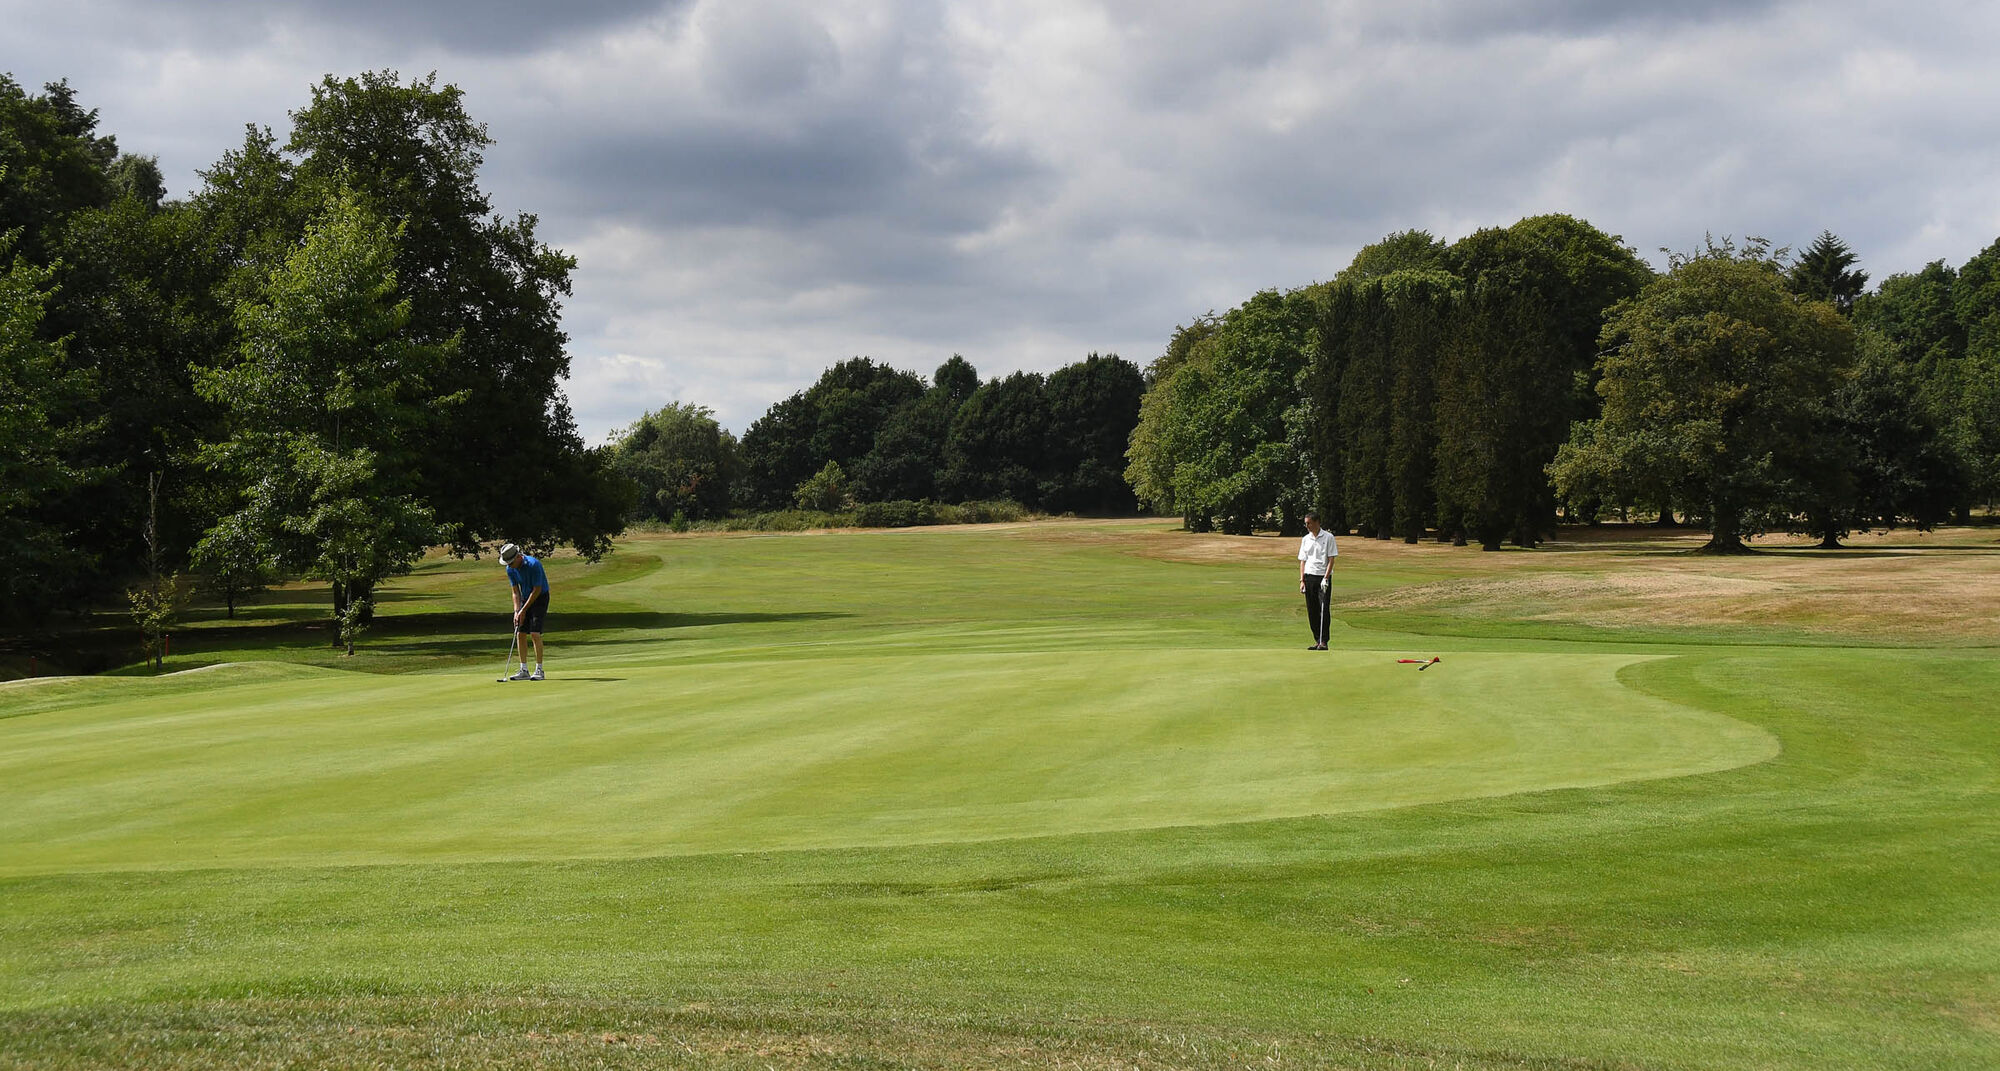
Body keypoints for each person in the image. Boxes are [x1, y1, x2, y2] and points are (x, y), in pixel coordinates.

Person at [500, 543, 550, 680]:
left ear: (518, 557)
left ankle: (539, 670)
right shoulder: (510, 569)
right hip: (525, 597)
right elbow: (515, 592)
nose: (509, 565)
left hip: (540, 597)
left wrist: (524, 609)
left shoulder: (534, 565)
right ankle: (524, 670)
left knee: (534, 633)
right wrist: (517, 611)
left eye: (511, 562)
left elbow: (537, 589)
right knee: (520, 632)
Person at [1296, 512, 1337, 650]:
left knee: (1323, 609)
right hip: (1309, 577)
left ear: (1317, 522)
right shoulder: (1305, 539)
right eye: (1306, 523)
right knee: (1312, 610)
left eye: (1309, 523)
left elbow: (1331, 559)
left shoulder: (1328, 537)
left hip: (1322, 578)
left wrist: (1326, 578)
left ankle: (1324, 641)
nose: (1307, 526)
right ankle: (1317, 640)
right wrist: (1302, 580)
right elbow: (1303, 561)